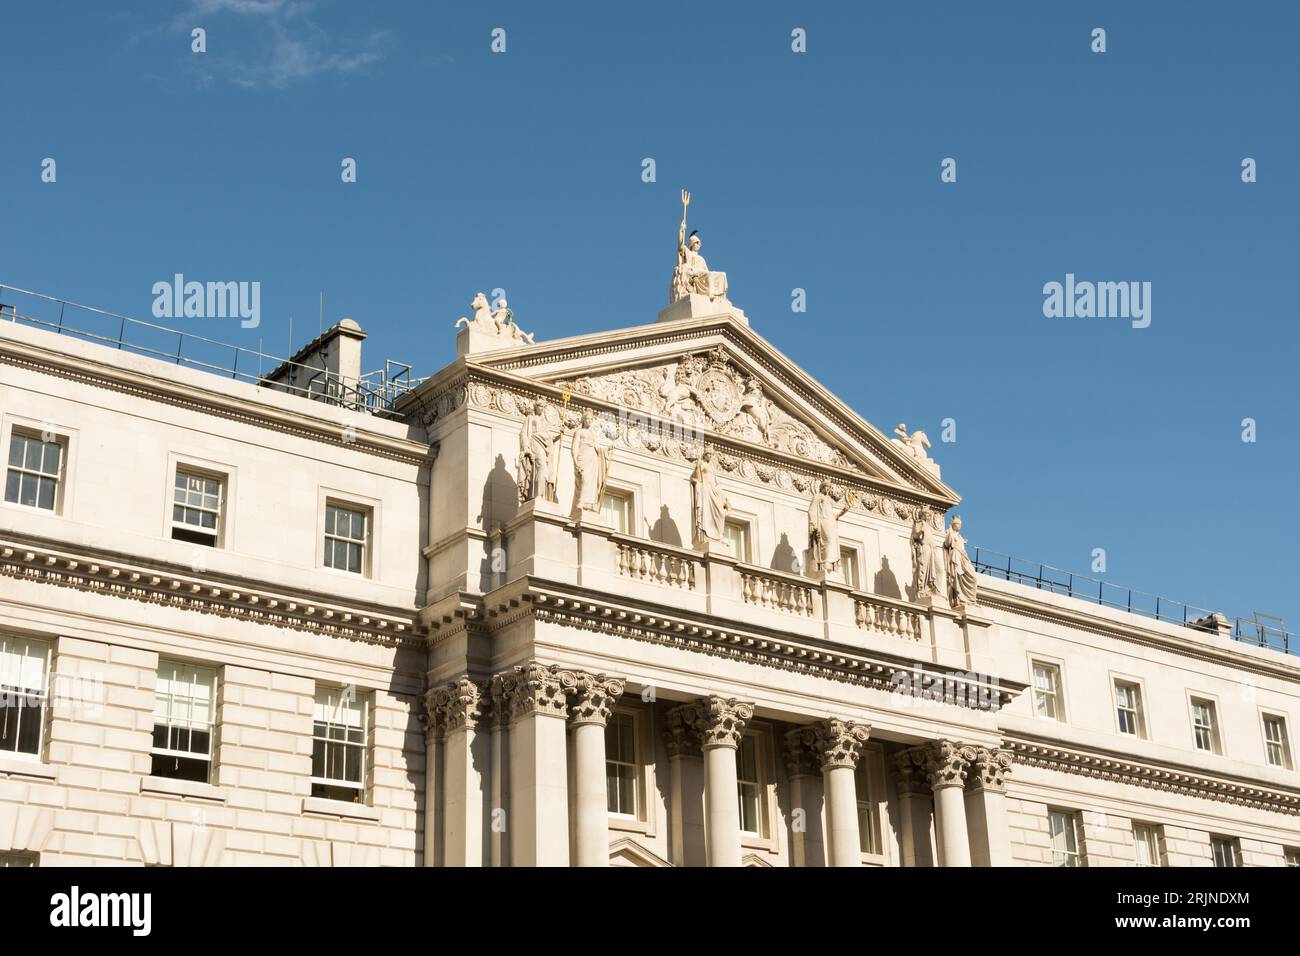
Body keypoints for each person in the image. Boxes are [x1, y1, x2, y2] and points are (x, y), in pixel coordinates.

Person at [690, 450, 730, 547]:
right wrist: (697, 467)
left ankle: (718, 536)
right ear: (704, 455)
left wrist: (724, 497)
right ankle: (707, 536)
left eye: (711, 454)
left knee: (720, 513)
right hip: (706, 490)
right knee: (706, 511)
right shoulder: (701, 464)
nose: (710, 456)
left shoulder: (712, 467)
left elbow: (717, 483)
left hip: (714, 491)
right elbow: (696, 477)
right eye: (708, 454)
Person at [945, 515, 979, 608]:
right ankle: (961, 598)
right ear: (953, 524)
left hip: (964, 558)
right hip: (956, 557)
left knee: (973, 577)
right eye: (957, 524)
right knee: (958, 576)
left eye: (960, 525)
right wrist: (950, 534)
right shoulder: (949, 532)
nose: (959, 526)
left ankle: (970, 600)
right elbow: (947, 544)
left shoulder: (960, 536)